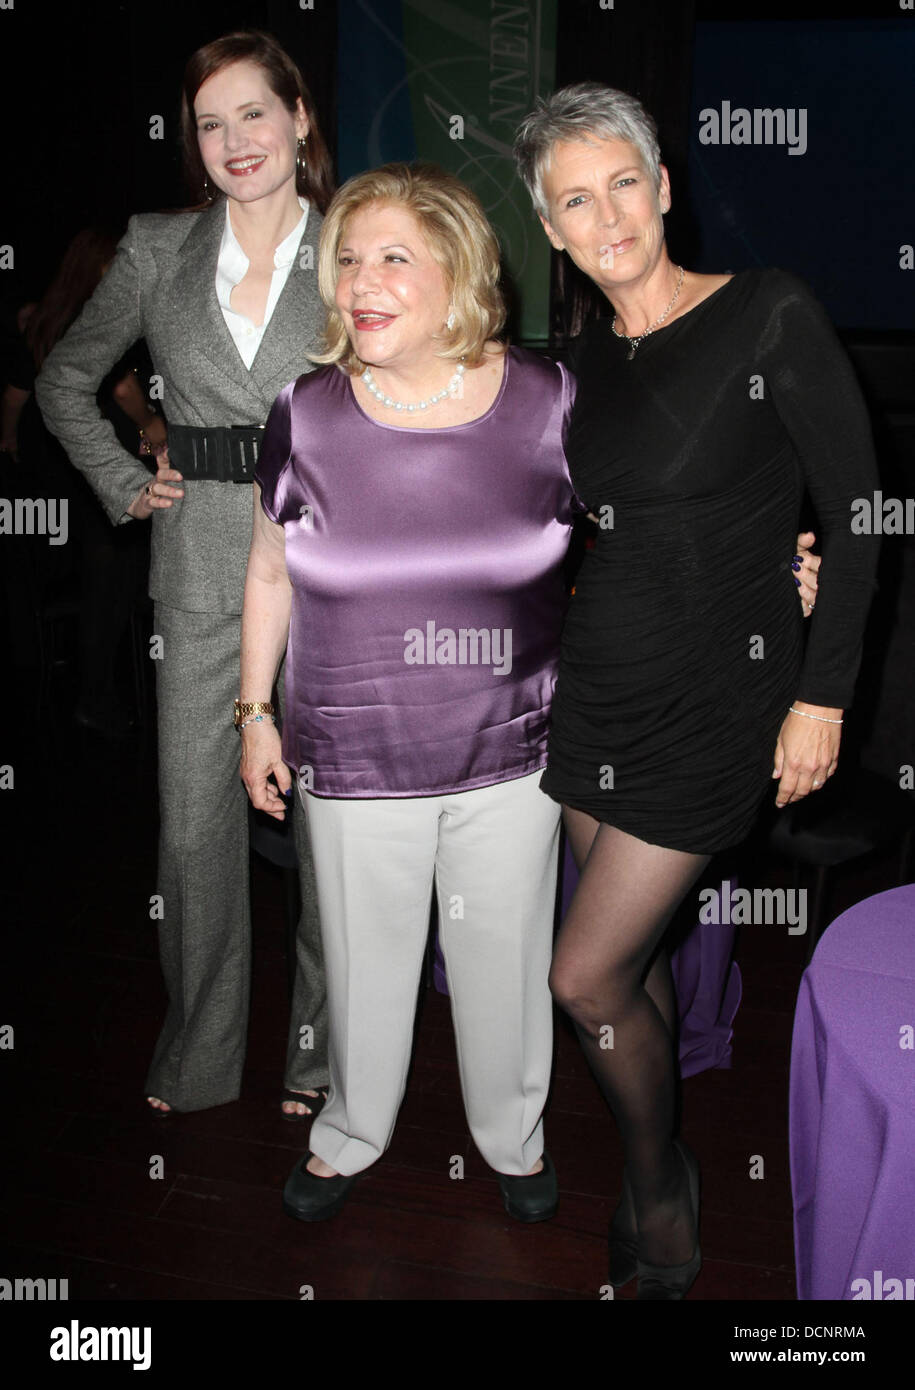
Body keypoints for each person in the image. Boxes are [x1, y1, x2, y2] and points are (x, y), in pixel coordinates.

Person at [240, 160, 819, 1225]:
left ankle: (510, 1134)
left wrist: (775, 565)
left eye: (393, 258)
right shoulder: (307, 413)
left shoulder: (550, 402)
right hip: (350, 747)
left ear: (459, 270)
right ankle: (351, 1131)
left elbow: (660, 510)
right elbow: (270, 567)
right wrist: (253, 714)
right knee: (362, 968)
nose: (360, 281)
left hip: (515, 750)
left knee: (507, 961)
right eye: (349, 260)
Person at [513, 82, 880, 1298]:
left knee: (584, 976)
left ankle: (660, 1181)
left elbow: (862, 520)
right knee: (637, 960)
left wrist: (822, 697)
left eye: (625, 181)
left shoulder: (768, 313)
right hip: (601, 688)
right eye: (577, 197)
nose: (607, 212)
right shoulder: (572, 370)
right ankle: (648, 1161)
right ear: (551, 228)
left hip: (725, 698)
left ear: (665, 186)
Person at [35, 31, 334, 1118]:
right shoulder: (160, 248)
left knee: (328, 828)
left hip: (336, 566)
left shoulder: (356, 241)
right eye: (210, 124)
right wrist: (123, 482)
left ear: (300, 118)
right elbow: (67, 376)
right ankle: (201, 1056)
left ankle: (319, 1057)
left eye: (254, 113)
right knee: (193, 830)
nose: (233, 141)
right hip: (200, 562)